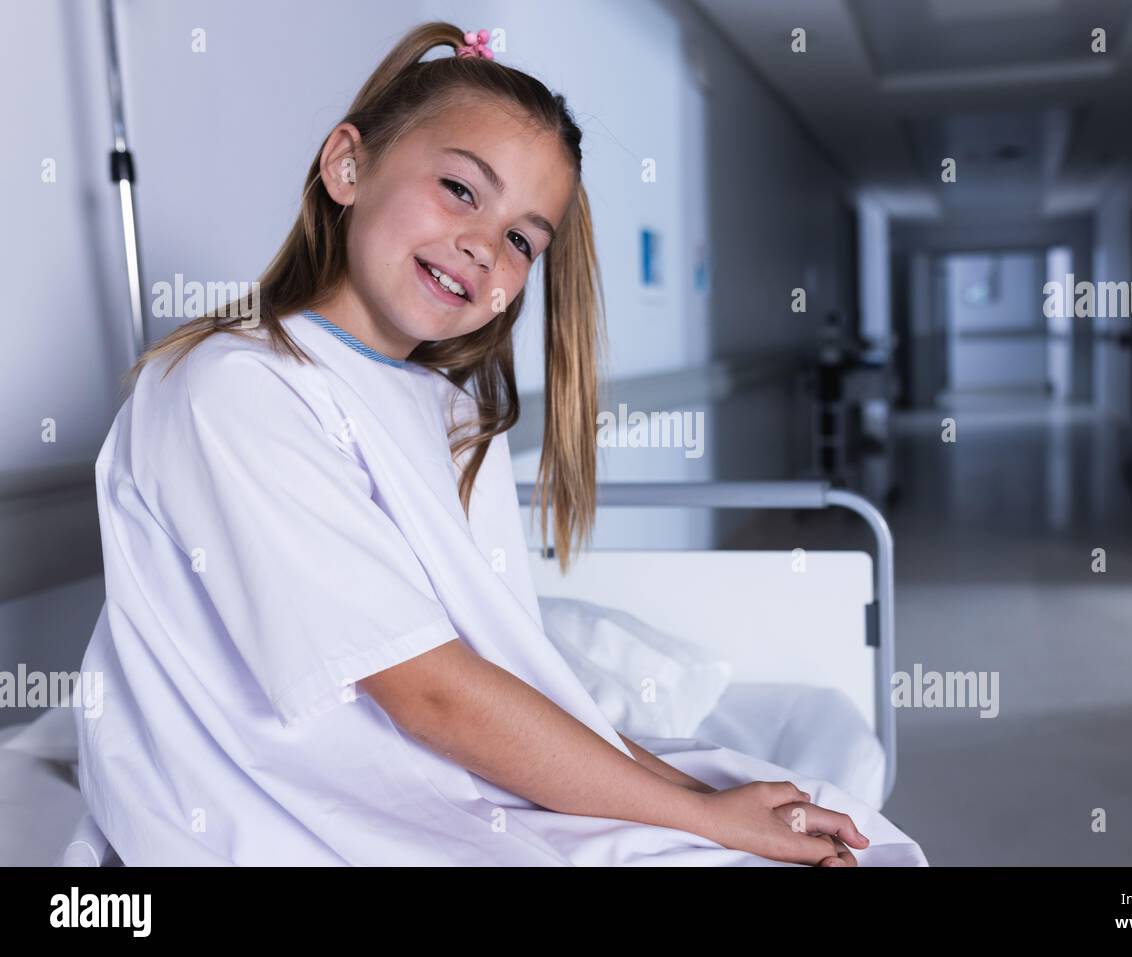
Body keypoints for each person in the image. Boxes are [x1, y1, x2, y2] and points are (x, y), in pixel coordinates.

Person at [75, 22, 927, 867]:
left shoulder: (447, 415)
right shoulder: (234, 389)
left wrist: (704, 800)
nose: (485, 245)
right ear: (348, 164)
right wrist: (705, 819)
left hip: (453, 780)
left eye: (524, 239)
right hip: (284, 815)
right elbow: (431, 693)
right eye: (459, 188)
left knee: (837, 829)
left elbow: (502, 677)